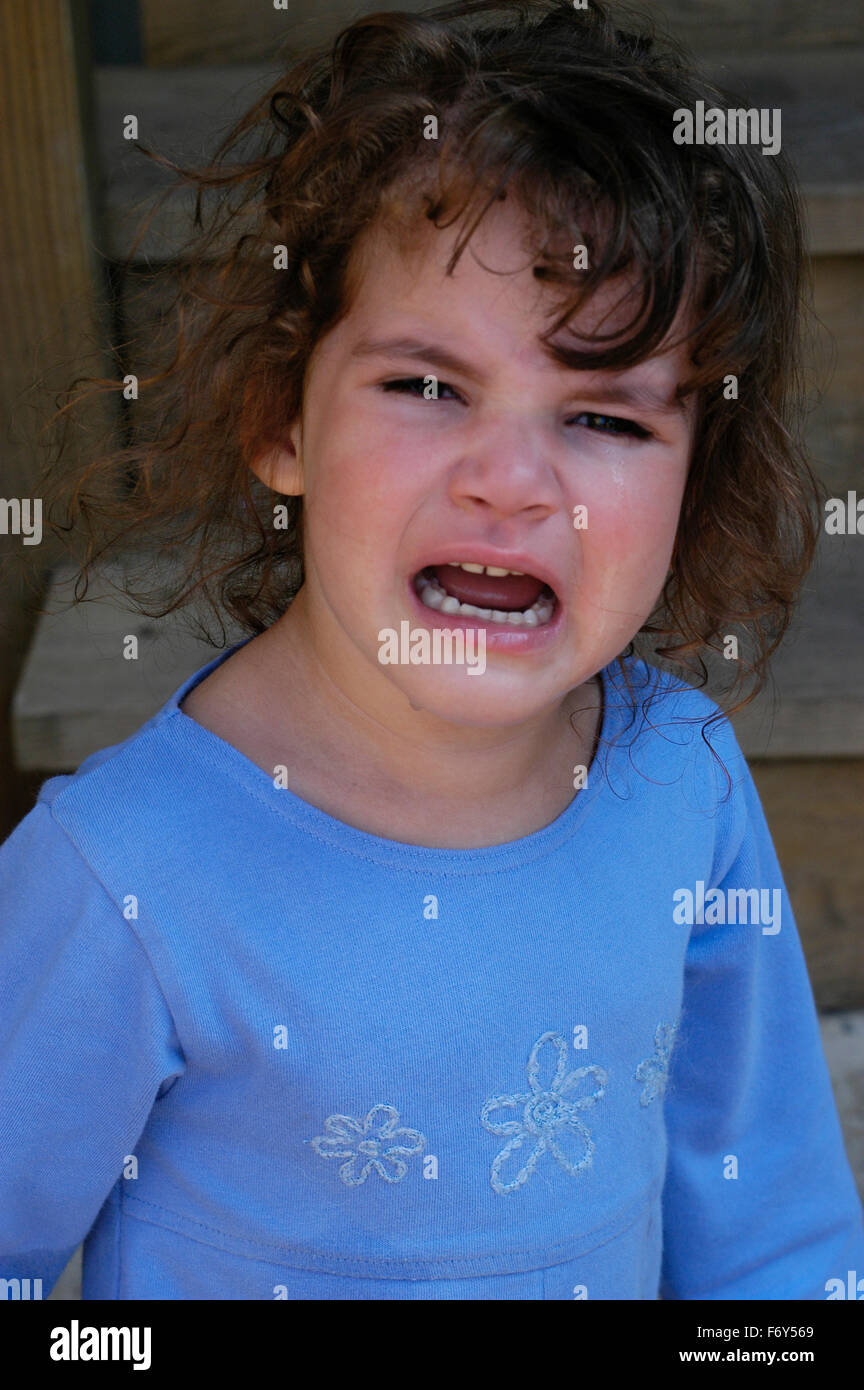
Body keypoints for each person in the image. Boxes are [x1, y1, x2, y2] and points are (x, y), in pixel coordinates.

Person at [1, 0, 862, 1300]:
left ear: (694, 486)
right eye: (425, 386)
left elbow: (775, 1236)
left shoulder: (685, 780)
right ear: (279, 420)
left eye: (607, 421)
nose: (512, 481)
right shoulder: (119, 877)